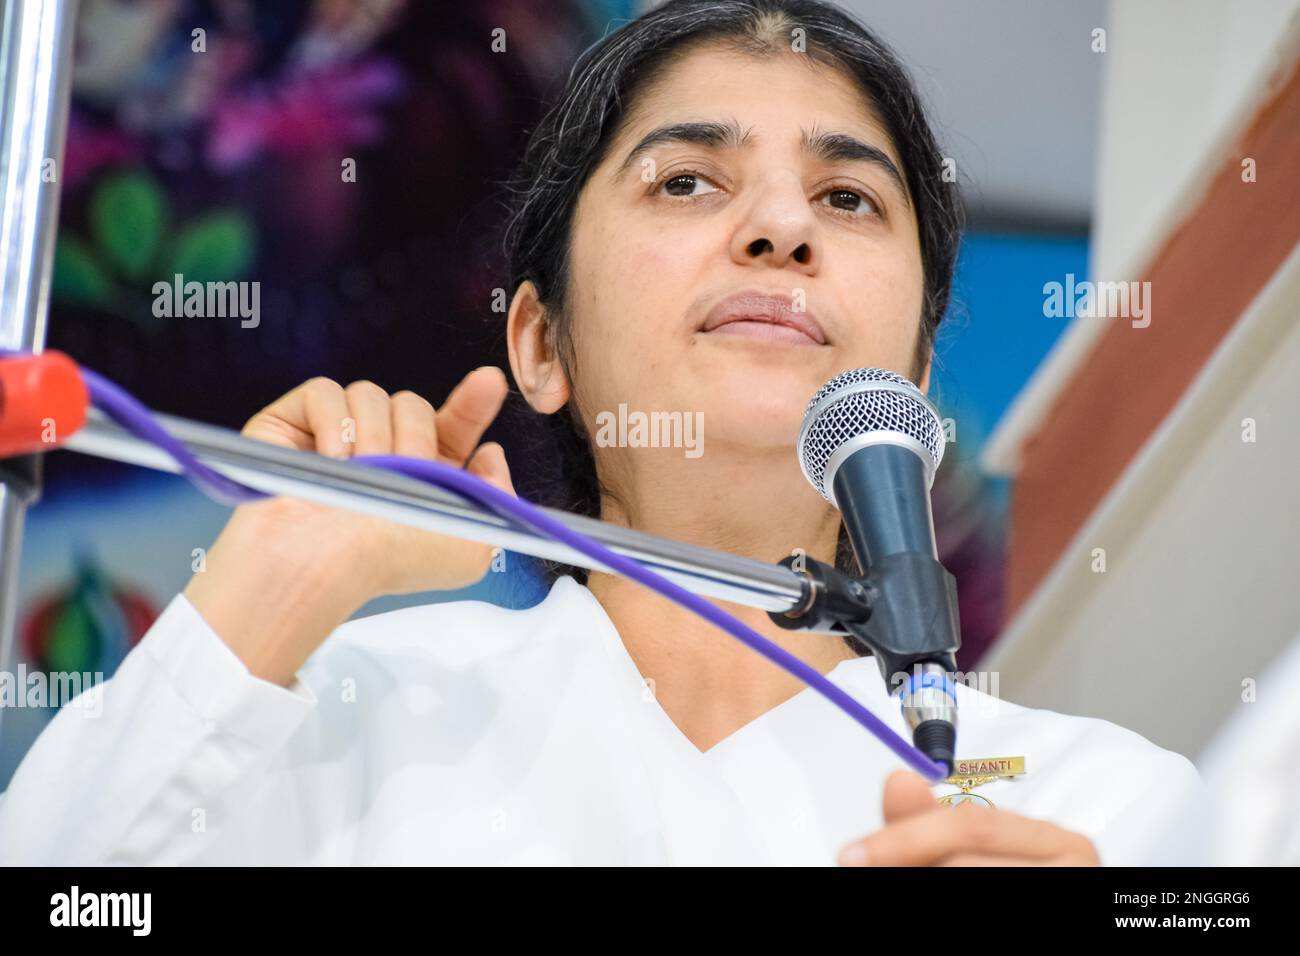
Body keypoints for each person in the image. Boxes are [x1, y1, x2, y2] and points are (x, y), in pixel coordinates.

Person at [0, 0, 1204, 865]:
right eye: (686, 180)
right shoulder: (333, 717)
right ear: (538, 344)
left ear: (918, 369)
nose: (782, 227)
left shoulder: (1104, 802)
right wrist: (274, 577)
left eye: (848, 198)